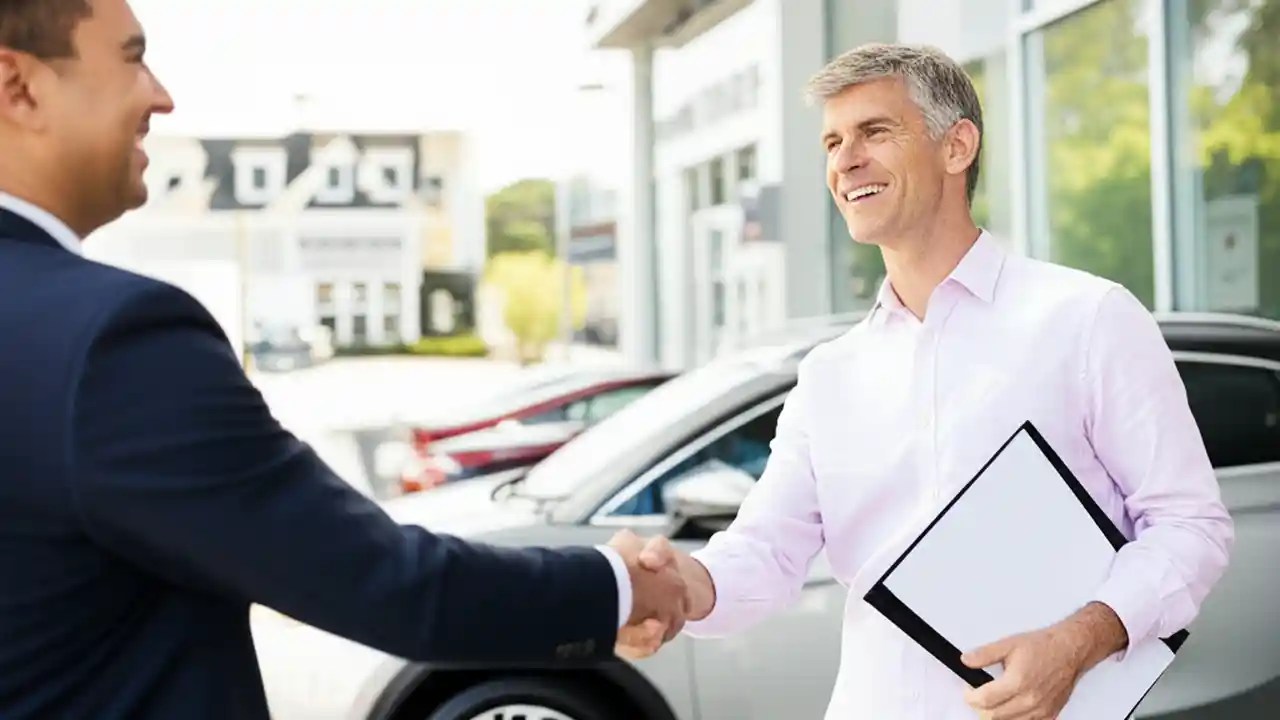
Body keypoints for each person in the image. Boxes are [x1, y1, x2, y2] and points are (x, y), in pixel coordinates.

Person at [0, 2, 686, 719]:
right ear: (19, 86)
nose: (160, 95)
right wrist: (617, 587)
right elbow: (383, 583)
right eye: (131, 57)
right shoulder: (114, 342)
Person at [614, 42, 1234, 719]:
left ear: (957, 146)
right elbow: (764, 552)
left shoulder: (1088, 320)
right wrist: (679, 586)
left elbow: (1190, 527)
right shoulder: (829, 376)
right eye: (832, 141)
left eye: (874, 132)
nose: (844, 160)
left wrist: (1078, 640)